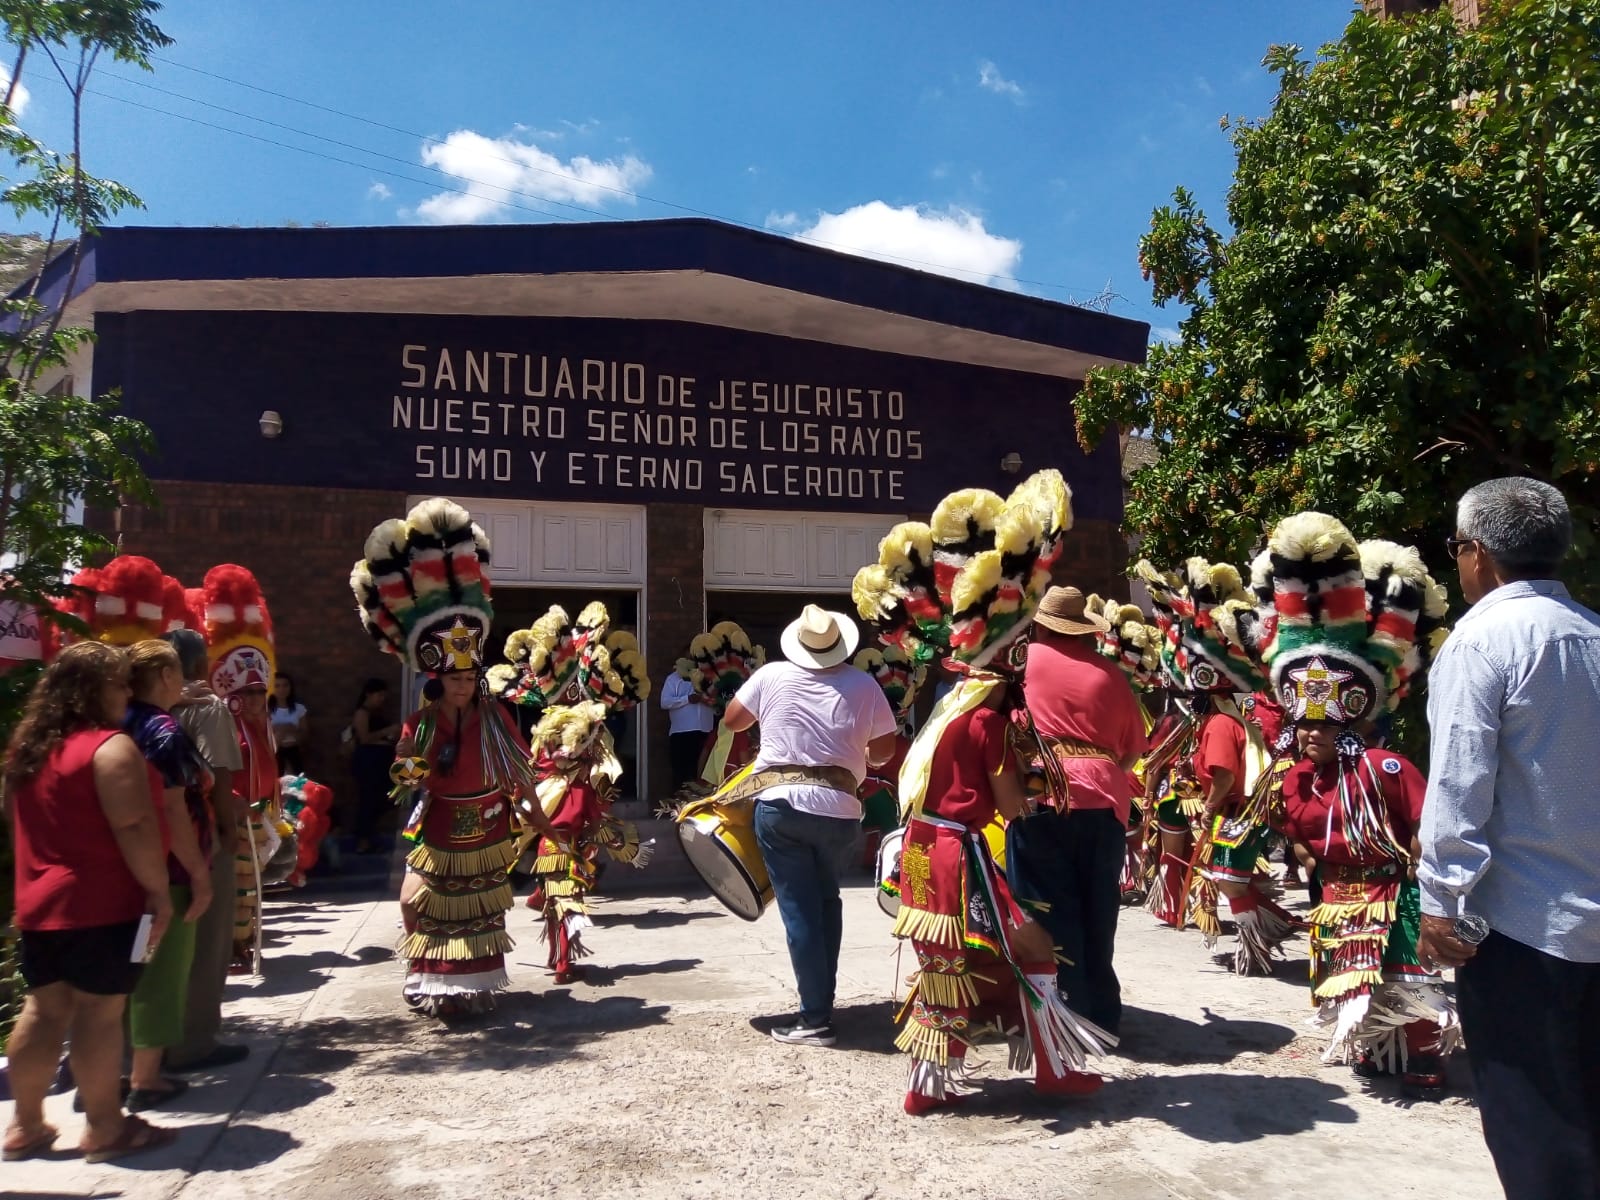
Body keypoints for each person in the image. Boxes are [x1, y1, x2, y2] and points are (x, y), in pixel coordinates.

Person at [855, 470, 1115, 1112]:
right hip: (961, 857)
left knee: (942, 968)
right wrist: (1036, 792)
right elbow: (1009, 808)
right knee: (1034, 948)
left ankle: (927, 1087)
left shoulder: (946, 713)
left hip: (920, 852)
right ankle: (1054, 1071)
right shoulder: (990, 721)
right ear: (1011, 660)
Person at [1418, 478, 1600, 1196]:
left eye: (1457, 548)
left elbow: (1460, 785)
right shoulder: (1591, 634)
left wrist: (1442, 900)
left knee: (1538, 1137)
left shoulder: (1482, 641)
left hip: (1523, 931)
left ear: (1479, 555)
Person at [1256, 513, 1457, 1096]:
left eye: (1324, 723)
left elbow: (1423, 826)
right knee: (1354, 977)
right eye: (1305, 723)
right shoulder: (1294, 777)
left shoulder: (1386, 767)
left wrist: (1423, 884)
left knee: (1402, 974)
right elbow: (1286, 829)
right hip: (1337, 894)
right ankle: (1376, 1048)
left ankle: (1421, 1052)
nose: (1312, 733)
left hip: (1391, 888)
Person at [351, 497, 557, 1017]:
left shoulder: (496, 718)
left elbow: (517, 771)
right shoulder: (420, 724)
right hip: (440, 824)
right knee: (416, 901)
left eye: (470, 677)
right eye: (456, 678)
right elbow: (402, 769)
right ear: (438, 679)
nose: (464, 686)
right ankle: (425, 975)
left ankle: (474, 985)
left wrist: (539, 818)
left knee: (483, 907)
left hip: (487, 824)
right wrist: (407, 770)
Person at [3, 642, 179, 1163]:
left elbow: (16, 825)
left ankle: (26, 1124)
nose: (127, 692)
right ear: (91, 689)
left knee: (43, 1009)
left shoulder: (27, 752)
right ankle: (105, 1127)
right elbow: (135, 825)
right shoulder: (110, 748)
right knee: (100, 1014)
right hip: (103, 904)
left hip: (39, 906)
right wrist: (158, 891)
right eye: (120, 683)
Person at [721, 603, 897, 1046]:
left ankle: (815, 1015)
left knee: (800, 909)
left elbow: (731, 720)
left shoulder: (773, 675)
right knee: (826, 902)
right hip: (839, 809)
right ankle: (822, 1001)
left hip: (782, 806)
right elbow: (884, 753)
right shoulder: (864, 684)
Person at [487, 601, 654, 982]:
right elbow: (537, 778)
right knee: (564, 894)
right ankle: (562, 960)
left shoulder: (592, 739)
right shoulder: (548, 740)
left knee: (570, 885)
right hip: (556, 828)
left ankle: (554, 942)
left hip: (577, 824)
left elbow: (595, 783)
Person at [1009, 586, 1146, 1038]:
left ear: (1041, 623)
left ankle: (1062, 1007)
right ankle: (1102, 1008)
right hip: (1106, 795)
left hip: (1043, 788)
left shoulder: (1023, 663)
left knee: (1045, 904)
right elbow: (1131, 753)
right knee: (1099, 903)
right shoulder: (1111, 674)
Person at [121, 639, 214, 1112]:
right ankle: (146, 1077)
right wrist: (199, 873)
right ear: (161, 676)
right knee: (160, 970)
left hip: (124, 869)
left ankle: (116, 1070)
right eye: (177, 672)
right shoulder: (162, 732)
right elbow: (175, 809)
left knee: (129, 969)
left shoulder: (117, 724)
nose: (184, 680)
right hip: (171, 874)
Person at [163, 626, 251, 1073]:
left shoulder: (140, 708)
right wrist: (229, 831)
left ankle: (149, 1043)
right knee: (207, 941)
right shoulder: (208, 707)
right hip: (199, 833)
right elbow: (219, 772)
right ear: (201, 664)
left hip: (151, 839)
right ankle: (193, 1041)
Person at [195, 565, 281, 975]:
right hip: (232, 819)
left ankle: (242, 944)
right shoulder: (220, 726)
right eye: (247, 693)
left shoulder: (260, 729)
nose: (256, 699)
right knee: (239, 891)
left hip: (256, 817)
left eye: (259, 692)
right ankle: (232, 947)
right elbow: (210, 773)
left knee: (251, 891)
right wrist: (234, 805)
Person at [349, 678, 400, 853]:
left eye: (384, 696)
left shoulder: (379, 713)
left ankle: (370, 835)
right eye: (379, 695)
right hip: (368, 760)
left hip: (382, 759)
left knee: (384, 798)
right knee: (368, 800)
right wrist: (388, 731)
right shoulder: (362, 713)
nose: (382, 699)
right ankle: (363, 840)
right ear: (368, 694)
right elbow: (364, 738)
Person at [660, 647, 715, 789]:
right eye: (690, 657)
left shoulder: (710, 677)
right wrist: (687, 699)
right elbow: (665, 702)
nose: (693, 661)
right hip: (682, 733)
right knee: (682, 776)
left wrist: (707, 699)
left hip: (705, 732)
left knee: (704, 776)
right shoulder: (674, 678)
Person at [268, 672, 308, 775]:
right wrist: (278, 732)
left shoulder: (299, 709)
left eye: (285, 685)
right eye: (277, 686)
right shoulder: (266, 709)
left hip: (294, 752)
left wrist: (290, 729)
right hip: (274, 754)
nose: (282, 689)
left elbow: (305, 734)